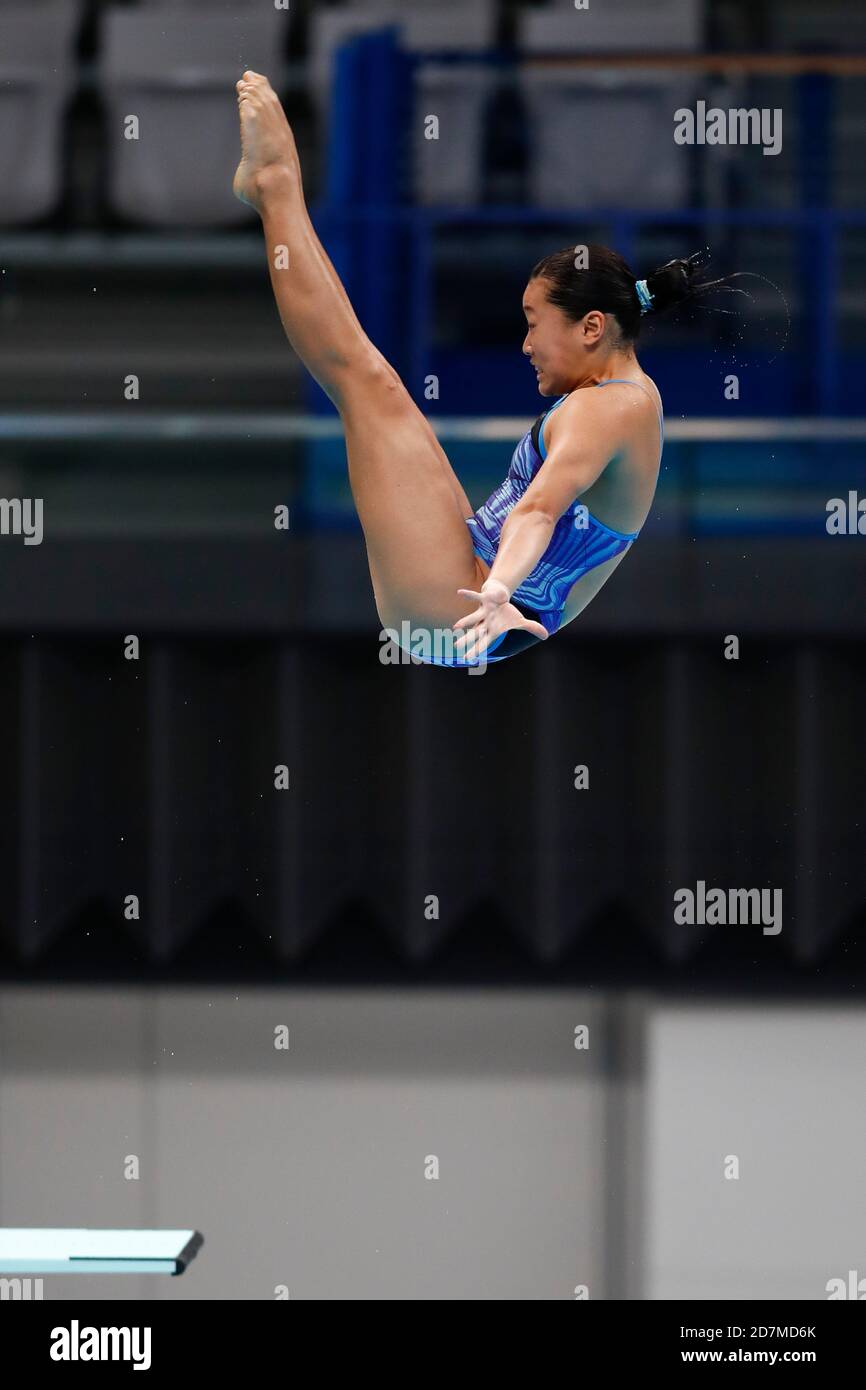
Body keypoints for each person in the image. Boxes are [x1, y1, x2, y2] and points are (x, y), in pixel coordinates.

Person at [233, 71, 709, 667]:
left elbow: (539, 508)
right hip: (475, 582)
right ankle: (274, 188)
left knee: (360, 379)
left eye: (534, 322)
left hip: (462, 605)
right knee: (375, 383)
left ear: (591, 326)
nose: (525, 345)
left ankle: (275, 186)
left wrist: (499, 590)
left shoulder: (610, 408)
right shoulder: (626, 397)